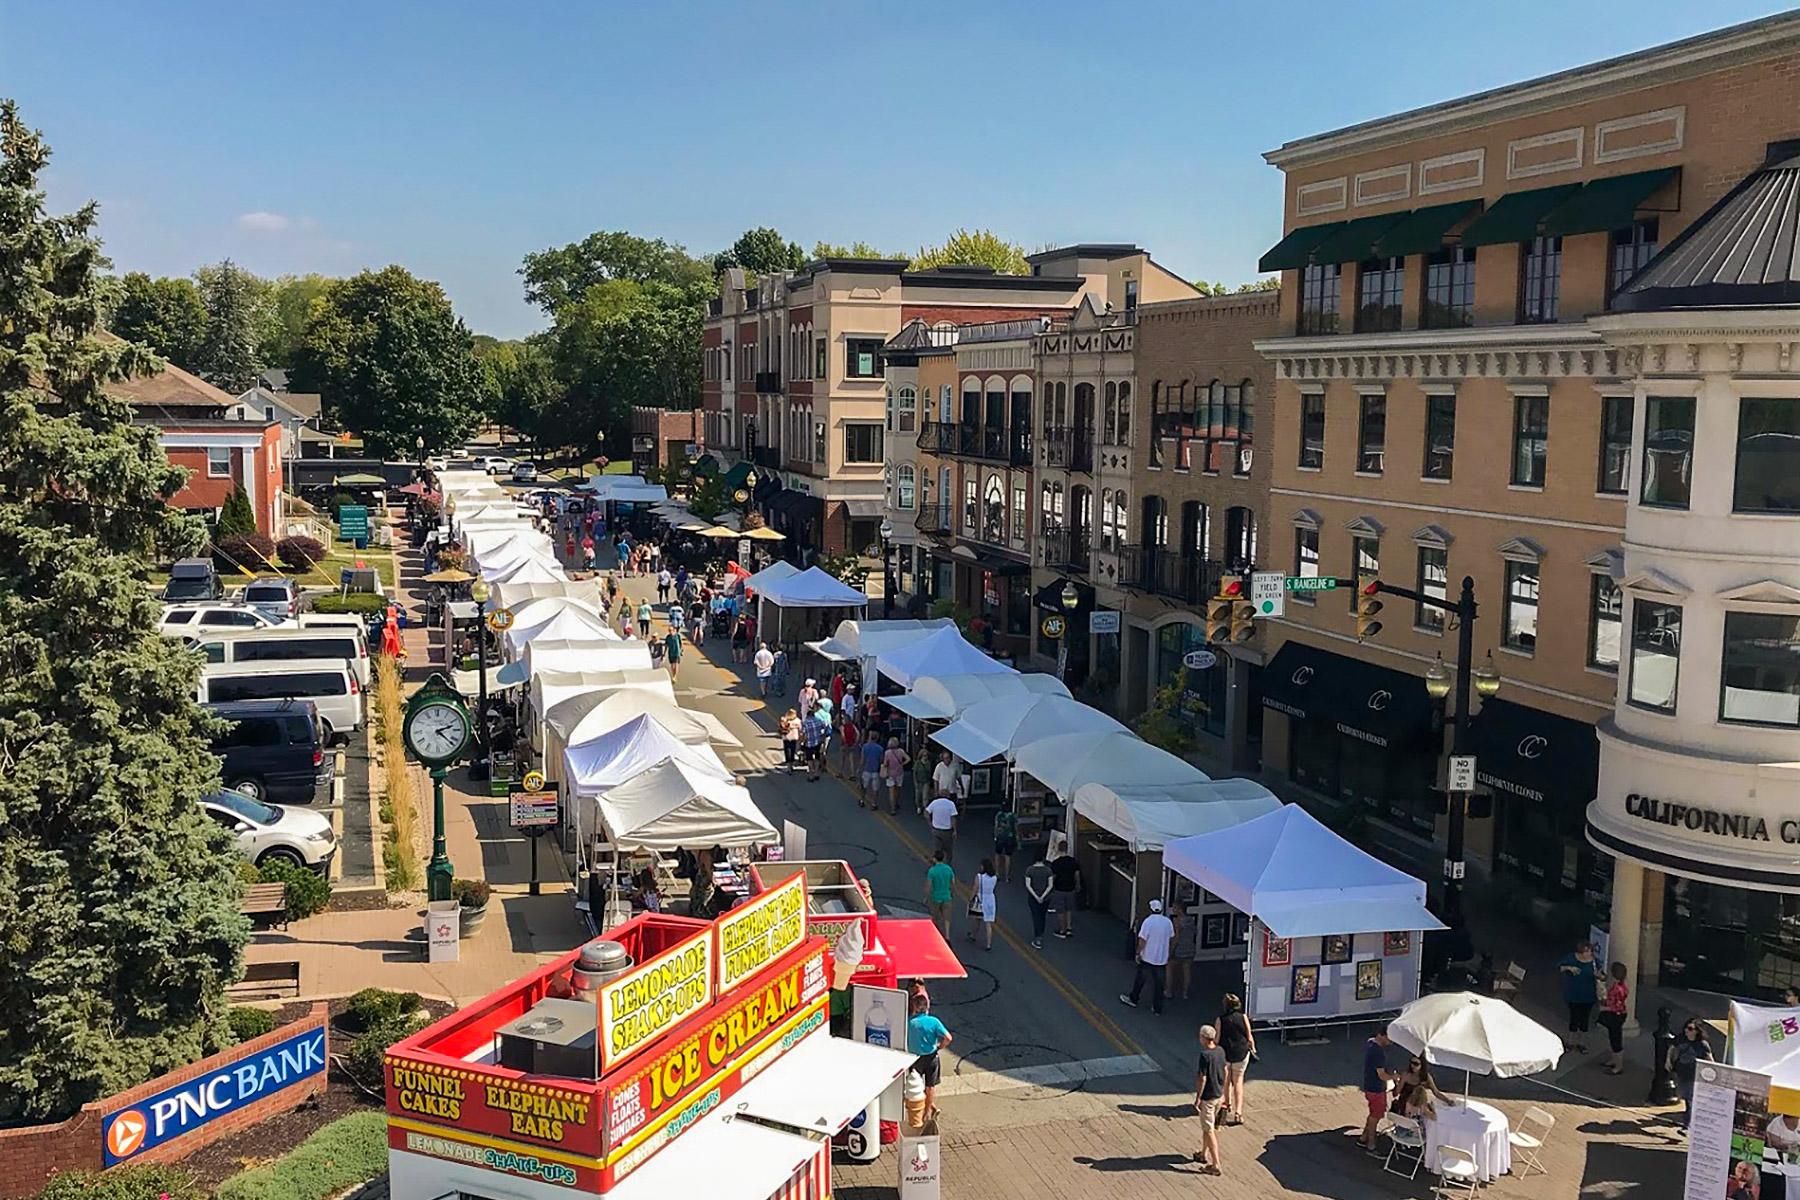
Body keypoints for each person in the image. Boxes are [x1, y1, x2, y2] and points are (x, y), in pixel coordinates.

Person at [1119, 899, 1175, 1014]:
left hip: (1148, 957)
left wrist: (1138, 953)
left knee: (1140, 979)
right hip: (1161, 959)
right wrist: (1168, 952)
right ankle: (1157, 1008)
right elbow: (1171, 938)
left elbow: (1142, 940)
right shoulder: (1167, 922)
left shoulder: (1148, 922)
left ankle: (1134, 999)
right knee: (1159, 985)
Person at [907, 992, 952, 1122]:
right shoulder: (934, 1021)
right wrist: (939, 1046)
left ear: (915, 1007)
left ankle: (922, 1109)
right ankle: (927, 1113)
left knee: (916, 1085)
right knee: (930, 1086)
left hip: (915, 1058)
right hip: (931, 1057)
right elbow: (948, 1038)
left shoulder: (910, 1022)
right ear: (927, 1007)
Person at [1217, 993, 1256, 1125]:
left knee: (1227, 1081)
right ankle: (1238, 1113)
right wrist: (1253, 1049)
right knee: (1238, 1081)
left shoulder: (1220, 1020)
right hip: (1241, 1053)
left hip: (1226, 1054)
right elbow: (1249, 1036)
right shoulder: (1243, 1017)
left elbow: (1217, 1039)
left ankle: (1227, 1104)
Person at [1194, 1024, 1227, 1177]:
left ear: (1204, 1038)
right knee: (1208, 1127)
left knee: (1209, 1130)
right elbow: (1225, 1071)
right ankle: (1202, 1153)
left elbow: (1202, 1078)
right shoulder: (1220, 1051)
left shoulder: (1204, 1055)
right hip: (1219, 1095)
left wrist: (1198, 1098)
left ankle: (1216, 1164)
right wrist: (1225, 1092)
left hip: (1208, 1097)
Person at [1669, 1018, 1715, 1130]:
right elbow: (1672, 1048)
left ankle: (1687, 1126)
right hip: (1681, 1072)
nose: (1687, 1031)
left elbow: (1710, 1059)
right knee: (1685, 1096)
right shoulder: (1681, 1039)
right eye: (1686, 1028)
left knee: (1690, 1100)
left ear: (1696, 1031)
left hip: (1694, 1075)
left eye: (1690, 1029)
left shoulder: (1702, 1044)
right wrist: (1668, 1061)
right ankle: (1692, 1120)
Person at [1557, 940, 1600, 1053]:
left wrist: (1599, 976)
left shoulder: (1594, 962)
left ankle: (1582, 1043)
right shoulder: (1571, 958)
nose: (1589, 954)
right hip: (1573, 993)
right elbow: (1560, 967)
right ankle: (1571, 1042)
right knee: (1574, 1017)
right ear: (1580, 952)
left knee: (1585, 1019)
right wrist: (1569, 968)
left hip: (1588, 994)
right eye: (1586, 951)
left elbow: (1600, 974)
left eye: (1590, 951)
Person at [1359, 1030, 1398, 1154]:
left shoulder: (1371, 1045)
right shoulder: (1378, 1053)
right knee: (1376, 1116)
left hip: (1369, 1086)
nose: (1390, 1041)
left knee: (1373, 1113)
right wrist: (1395, 1077)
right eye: (1389, 1038)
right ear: (1381, 1035)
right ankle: (1371, 1144)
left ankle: (1364, 1137)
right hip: (1376, 1088)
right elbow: (1382, 1075)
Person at [1392, 1055, 1450, 1121]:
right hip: (1406, 1104)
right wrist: (1396, 1083)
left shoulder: (1426, 1077)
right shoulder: (1406, 1075)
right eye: (1411, 1062)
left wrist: (1448, 1101)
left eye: (1416, 1064)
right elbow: (1396, 1093)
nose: (1412, 1066)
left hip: (1418, 1104)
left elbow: (1436, 1093)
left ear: (1422, 1065)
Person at [1598, 961, 1629, 1075]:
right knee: (1613, 1037)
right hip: (1619, 1014)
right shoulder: (1621, 986)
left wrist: (1605, 1008)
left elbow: (1616, 1006)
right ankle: (1613, 1060)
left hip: (1616, 1015)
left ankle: (1619, 1065)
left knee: (1616, 1040)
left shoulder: (1617, 989)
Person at [1048, 845, 1081, 940]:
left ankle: (1062, 930)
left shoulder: (1056, 863)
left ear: (1059, 849)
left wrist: (1050, 887)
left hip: (1059, 889)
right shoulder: (1073, 861)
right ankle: (1069, 928)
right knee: (1069, 909)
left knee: (1060, 910)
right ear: (1067, 849)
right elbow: (1077, 874)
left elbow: (1053, 877)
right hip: (1070, 888)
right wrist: (1077, 885)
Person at [1023, 851, 1054, 949]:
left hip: (1033, 898)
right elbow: (1050, 885)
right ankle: (1041, 933)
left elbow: (1028, 885)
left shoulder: (1029, 870)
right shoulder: (1048, 870)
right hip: (1046, 898)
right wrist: (1043, 896)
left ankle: (1037, 937)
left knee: (1035, 916)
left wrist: (1036, 896)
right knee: (1042, 915)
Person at [924, 850, 956, 940]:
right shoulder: (948, 869)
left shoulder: (932, 871)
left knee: (935, 917)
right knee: (947, 918)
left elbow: (928, 885)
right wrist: (952, 893)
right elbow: (953, 883)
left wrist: (926, 897)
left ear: (934, 859)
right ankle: (947, 935)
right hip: (947, 896)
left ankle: (936, 934)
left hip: (936, 897)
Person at [968, 858, 998, 951]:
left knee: (977, 919)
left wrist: (970, 899)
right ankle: (988, 944)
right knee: (988, 923)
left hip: (980, 899)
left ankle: (973, 935)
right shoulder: (994, 877)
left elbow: (975, 888)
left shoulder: (979, 877)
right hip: (990, 899)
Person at [881, 737, 911, 816]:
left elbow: (885, 764)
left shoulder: (887, 753)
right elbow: (908, 759)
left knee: (891, 791)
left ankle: (892, 809)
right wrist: (902, 764)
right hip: (899, 772)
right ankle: (896, 802)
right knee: (898, 789)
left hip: (890, 773)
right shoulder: (901, 751)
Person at [924, 791, 958, 858]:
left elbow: (926, 813)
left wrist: (930, 823)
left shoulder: (934, 802)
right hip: (947, 831)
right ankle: (947, 865)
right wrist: (955, 830)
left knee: (937, 849)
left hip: (936, 830)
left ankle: (937, 863)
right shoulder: (951, 804)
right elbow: (953, 818)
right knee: (948, 851)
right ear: (948, 795)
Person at [801, 707, 829, 782]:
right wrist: (823, 736)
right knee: (817, 757)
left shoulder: (805, 723)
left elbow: (803, 734)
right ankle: (816, 773)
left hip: (809, 744)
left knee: (809, 759)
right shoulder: (818, 721)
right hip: (817, 742)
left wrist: (802, 742)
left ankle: (811, 775)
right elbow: (826, 726)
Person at [992, 804, 1019, 883]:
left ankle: (997, 873)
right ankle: (1007, 877)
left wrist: (995, 836)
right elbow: (1016, 828)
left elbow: (996, 826)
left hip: (1000, 837)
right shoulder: (1013, 816)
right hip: (1009, 838)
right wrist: (1017, 839)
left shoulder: (999, 815)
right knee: (1008, 857)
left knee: (997, 854)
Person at [929, 751, 958, 819]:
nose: (947, 760)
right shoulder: (939, 766)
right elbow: (936, 779)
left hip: (952, 791)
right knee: (942, 808)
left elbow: (958, 777)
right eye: (945, 758)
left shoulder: (955, 766)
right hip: (942, 792)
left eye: (948, 758)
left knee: (952, 809)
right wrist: (936, 791)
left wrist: (962, 787)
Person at [778, 708, 801, 774]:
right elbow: (800, 729)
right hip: (794, 737)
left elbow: (781, 727)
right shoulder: (798, 721)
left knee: (787, 752)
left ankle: (789, 767)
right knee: (792, 751)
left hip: (786, 738)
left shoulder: (785, 720)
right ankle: (791, 766)